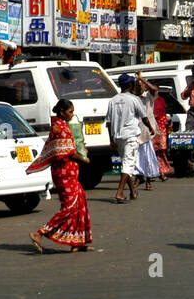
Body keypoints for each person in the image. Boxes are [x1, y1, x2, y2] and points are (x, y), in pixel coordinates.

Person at [27, 100, 91, 253]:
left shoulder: (62, 125)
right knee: (69, 207)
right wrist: (84, 159)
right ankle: (39, 233)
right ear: (62, 112)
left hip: (69, 172)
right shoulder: (59, 128)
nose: (72, 115)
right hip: (63, 173)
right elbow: (68, 152)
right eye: (70, 112)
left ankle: (78, 242)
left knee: (80, 204)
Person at [106, 73, 151, 202]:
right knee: (128, 164)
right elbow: (144, 117)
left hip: (117, 137)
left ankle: (133, 191)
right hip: (130, 136)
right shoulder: (134, 99)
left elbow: (108, 123)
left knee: (126, 164)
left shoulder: (112, 100)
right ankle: (119, 193)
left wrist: (111, 140)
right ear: (130, 85)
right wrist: (151, 128)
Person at [132, 73, 160, 190]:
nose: (139, 87)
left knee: (148, 156)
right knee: (136, 156)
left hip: (147, 131)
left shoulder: (148, 96)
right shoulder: (132, 98)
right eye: (137, 85)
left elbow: (155, 89)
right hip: (136, 131)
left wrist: (141, 79)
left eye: (141, 85)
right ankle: (139, 177)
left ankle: (149, 179)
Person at [151, 86, 172, 179]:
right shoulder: (147, 100)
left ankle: (161, 172)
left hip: (160, 128)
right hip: (150, 128)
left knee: (161, 151)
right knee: (150, 151)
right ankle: (151, 174)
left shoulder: (161, 100)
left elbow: (162, 113)